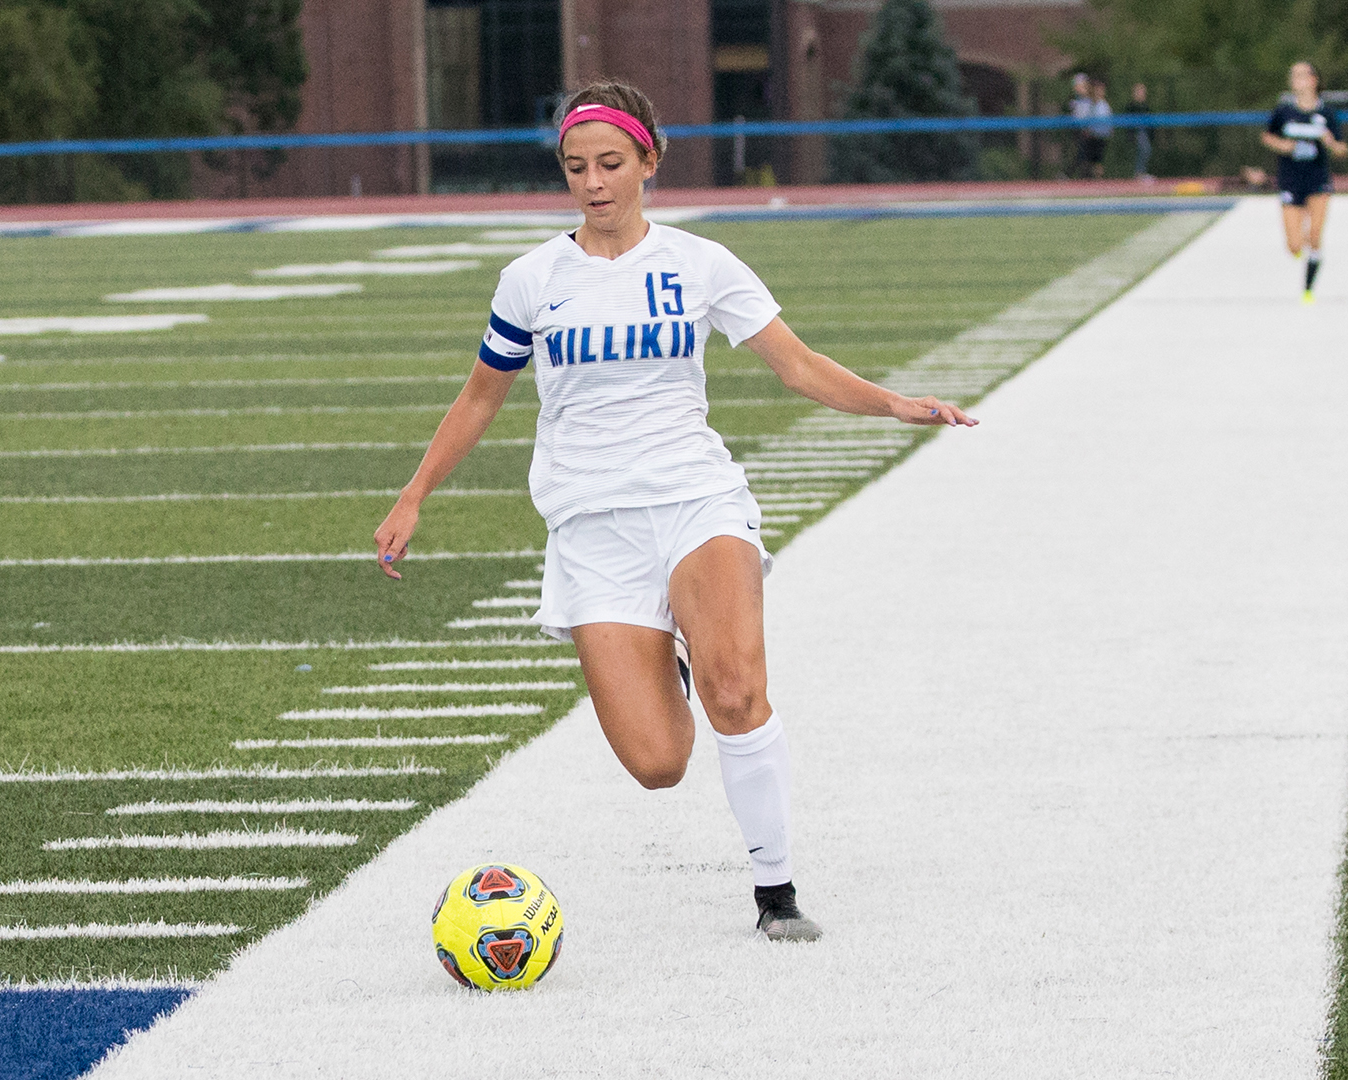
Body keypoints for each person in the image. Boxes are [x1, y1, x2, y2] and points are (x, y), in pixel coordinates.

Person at [372, 81, 977, 942]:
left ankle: (776, 894)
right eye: (576, 167)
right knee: (658, 763)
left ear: (649, 161)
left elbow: (797, 365)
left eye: (611, 163)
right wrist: (414, 494)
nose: (593, 182)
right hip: (591, 526)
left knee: (738, 692)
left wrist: (896, 404)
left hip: (696, 500)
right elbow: (479, 397)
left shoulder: (700, 264)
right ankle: (678, 658)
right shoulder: (531, 280)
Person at [1261, 61, 1348, 302]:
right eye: (1293, 75)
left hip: (1317, 179)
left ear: (1313, 80)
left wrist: (1331, 143)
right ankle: (1303, 255)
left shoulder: (1326, 113)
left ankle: (1308, 287)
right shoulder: (1284, 111)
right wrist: (1283, 146)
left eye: (1300, 75)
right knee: (1294, 245)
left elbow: (1342, 149)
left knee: (1315, 235)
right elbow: (1267, 136)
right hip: (1290, 180)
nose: (1295, 79)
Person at [1079, 79, 1113, 180]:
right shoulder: (1090, 104)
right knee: (1087, 159)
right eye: (1097, 90)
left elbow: (1109, 121)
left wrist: (1109, 130)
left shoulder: (1104, 105)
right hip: (1091, 135)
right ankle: (1087, 178)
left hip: (1101, 135)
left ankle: (1098, 179)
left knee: (1098, 160)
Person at [1126, 82, 1153, 181]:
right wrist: (1130, 135)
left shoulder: (1146, 106)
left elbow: (1150, 122)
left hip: (1144, 132)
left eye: (1143, 92)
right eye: (1139, 92)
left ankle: (1141, 173)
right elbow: (1128, 123)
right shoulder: (1131, 106)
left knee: (1146, 150)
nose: (1142, 94)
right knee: (1144, 150)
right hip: (1136, 132)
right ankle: (1139, 173)